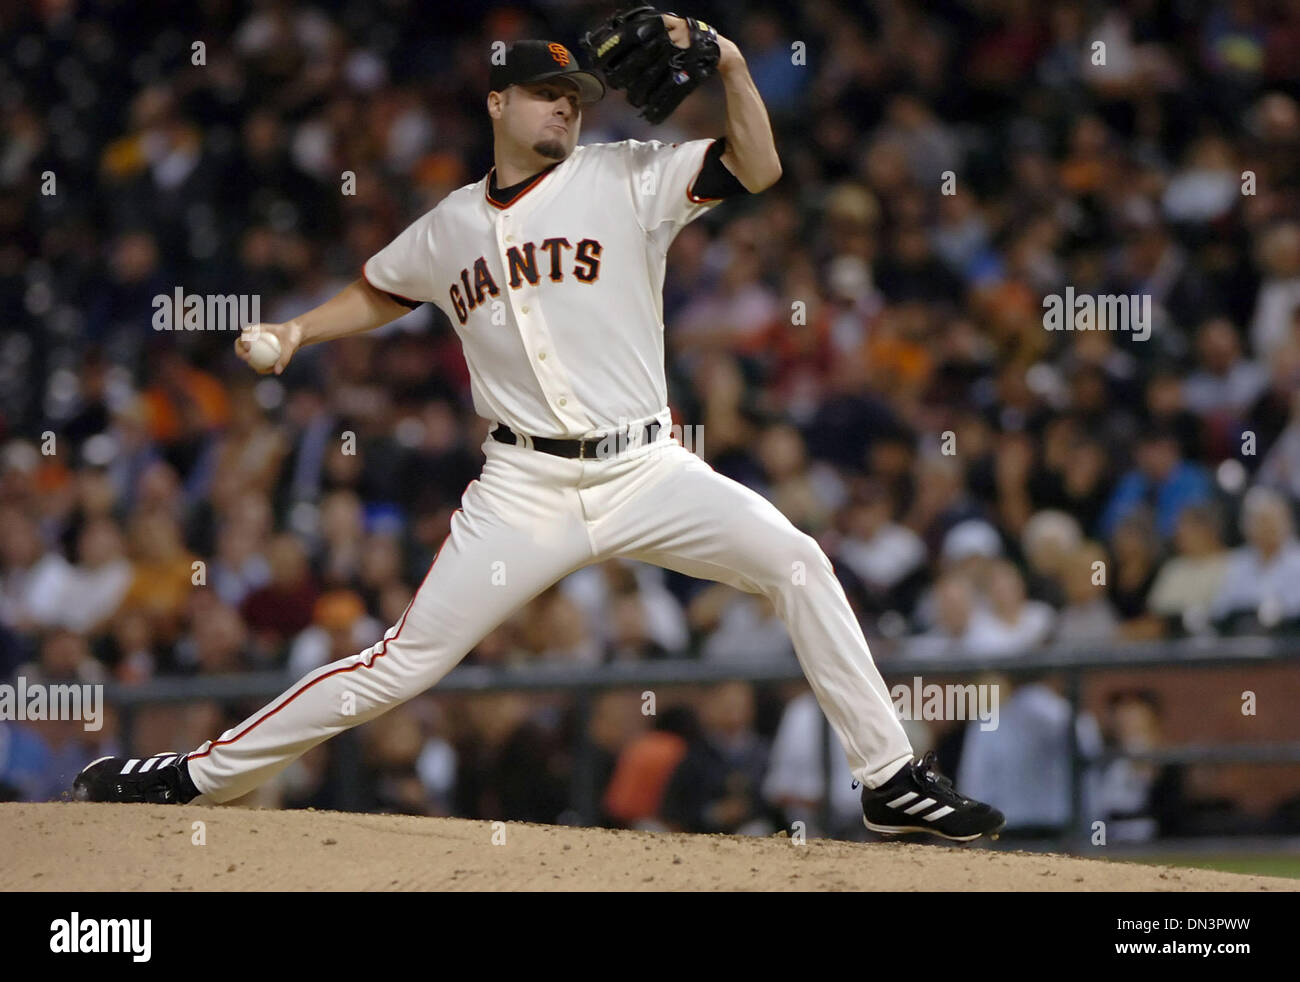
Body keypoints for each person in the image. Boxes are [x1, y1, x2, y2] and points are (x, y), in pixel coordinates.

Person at [73, 21, 1003, 842]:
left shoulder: (627, 175)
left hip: (647, 466)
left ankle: (888, 780)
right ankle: (194, 775)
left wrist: (730, 63)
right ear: (497, 102)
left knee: (798, 562)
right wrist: (296, 331)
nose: (565, 110)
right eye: (545, 96)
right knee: (401, 664)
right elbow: (380, 286)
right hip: (523, 490)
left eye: (575, 99)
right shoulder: (449, 227)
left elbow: (759, 167)